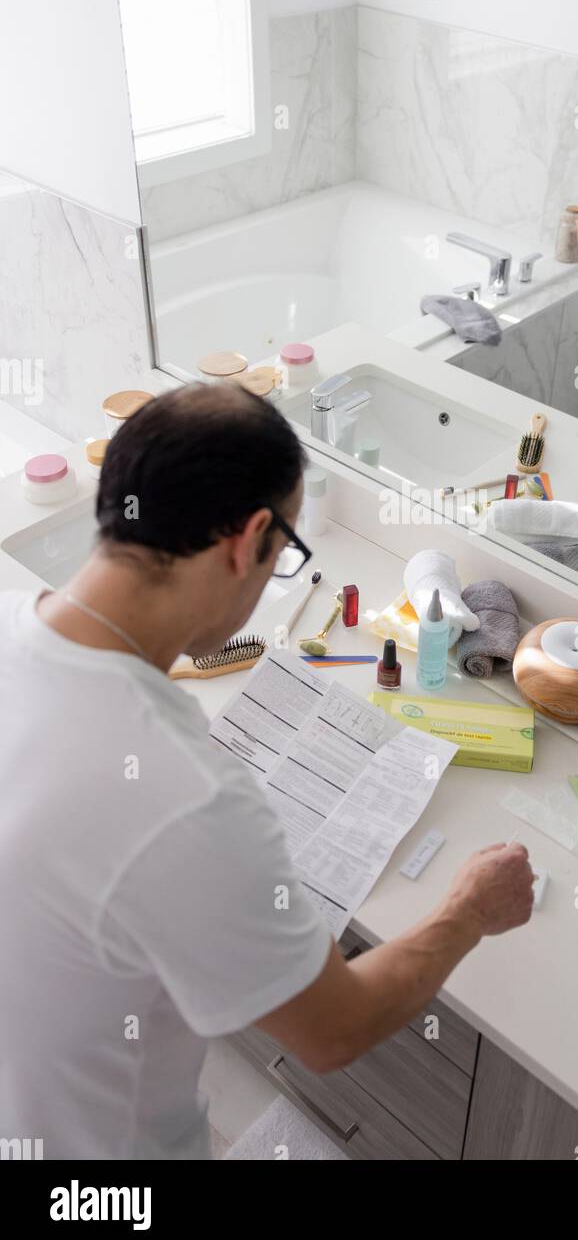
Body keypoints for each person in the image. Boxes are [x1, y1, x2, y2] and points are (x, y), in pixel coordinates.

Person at [0, 384, 533, 1159]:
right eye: (287, 552)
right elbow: (332, 1029)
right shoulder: (183, 796)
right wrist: (467, 912)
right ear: (250, 540)